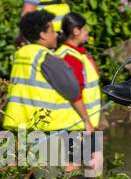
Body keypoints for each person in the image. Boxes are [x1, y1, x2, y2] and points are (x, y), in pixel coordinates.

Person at [3, 9, 95, 137]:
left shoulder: (20, 54)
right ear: (43, 35)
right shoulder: (46, 58)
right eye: (52, 31)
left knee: (18, 158)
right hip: (48, 130)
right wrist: (86, 121)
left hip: (16, 126)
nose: (56, 35)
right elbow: (73, 91)